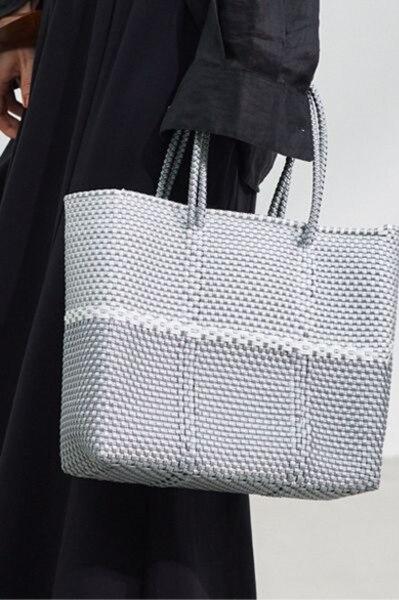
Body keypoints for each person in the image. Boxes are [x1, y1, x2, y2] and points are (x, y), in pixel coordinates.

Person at [0, 0, 320, 597]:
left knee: (154, 395)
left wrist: (252, 88)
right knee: (45, 321)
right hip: (80, 31)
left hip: (190, 44)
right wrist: (19, 20)